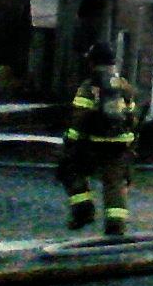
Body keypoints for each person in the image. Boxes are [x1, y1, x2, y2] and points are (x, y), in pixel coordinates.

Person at [58, 42, 140, 237]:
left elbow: (79, 117)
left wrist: (70, 141)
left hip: (93, 143)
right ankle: (115, 226)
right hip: (120, 145)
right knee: (115, 183)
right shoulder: (124, 86)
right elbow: (132, 117)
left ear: (93, 62)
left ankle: (83, 210)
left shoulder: (89, 86)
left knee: (70, 170)